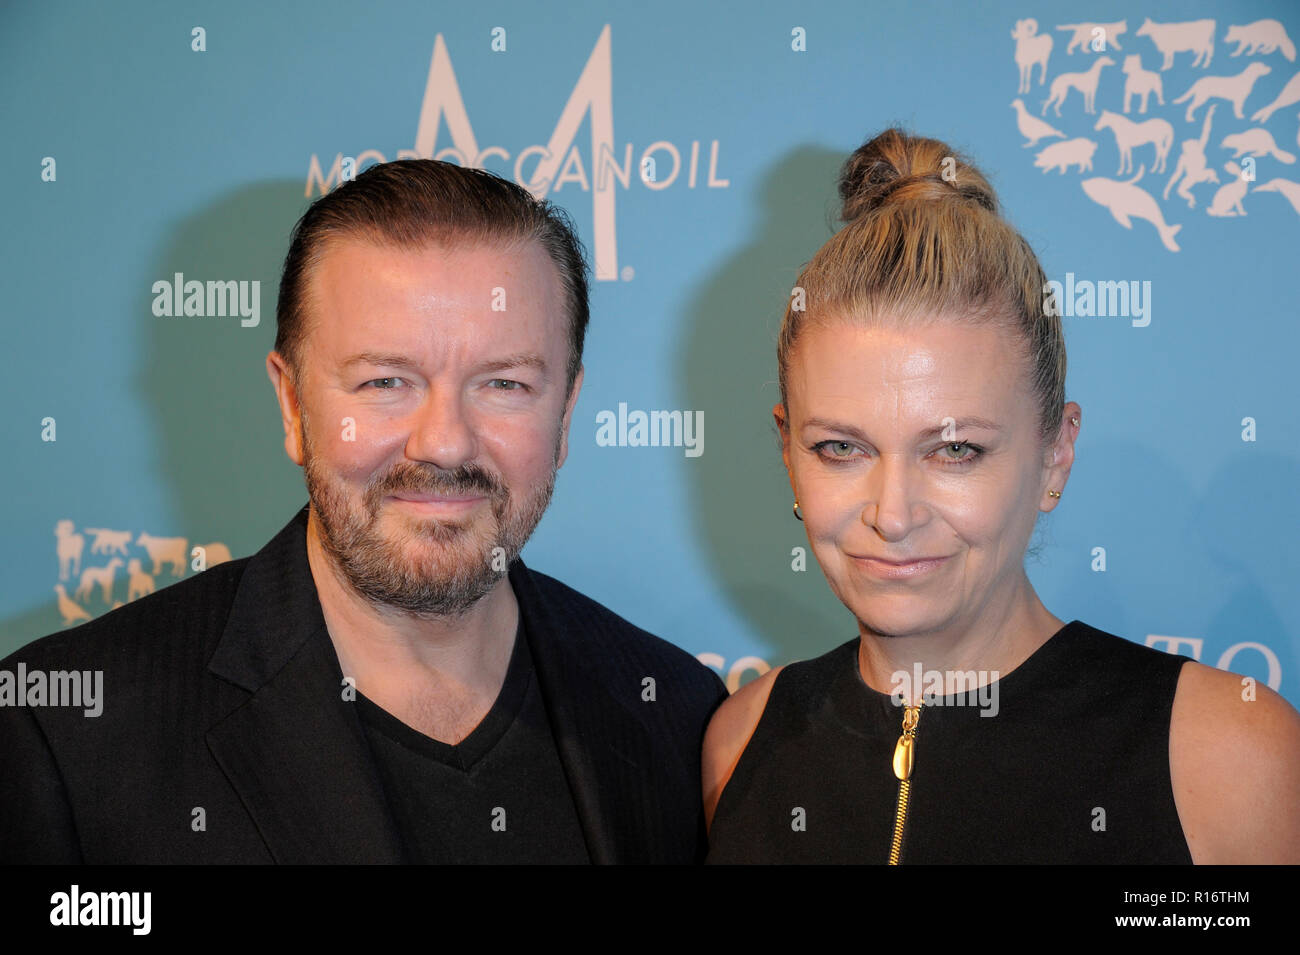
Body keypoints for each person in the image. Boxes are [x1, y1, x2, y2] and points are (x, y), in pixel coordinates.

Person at [0, 159, 726, 864]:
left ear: (565, 414)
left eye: (504, 384)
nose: (443, 442)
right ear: (292, 404)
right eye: (385, 381)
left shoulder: (678, 716)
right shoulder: (71, 734)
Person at [702, 128, 1300, 864]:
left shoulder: (1223, 758)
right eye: (841, 448)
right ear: (787, 450)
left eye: (956, 450)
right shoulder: (739, 745)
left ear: (1057, 452)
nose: (893, 513)